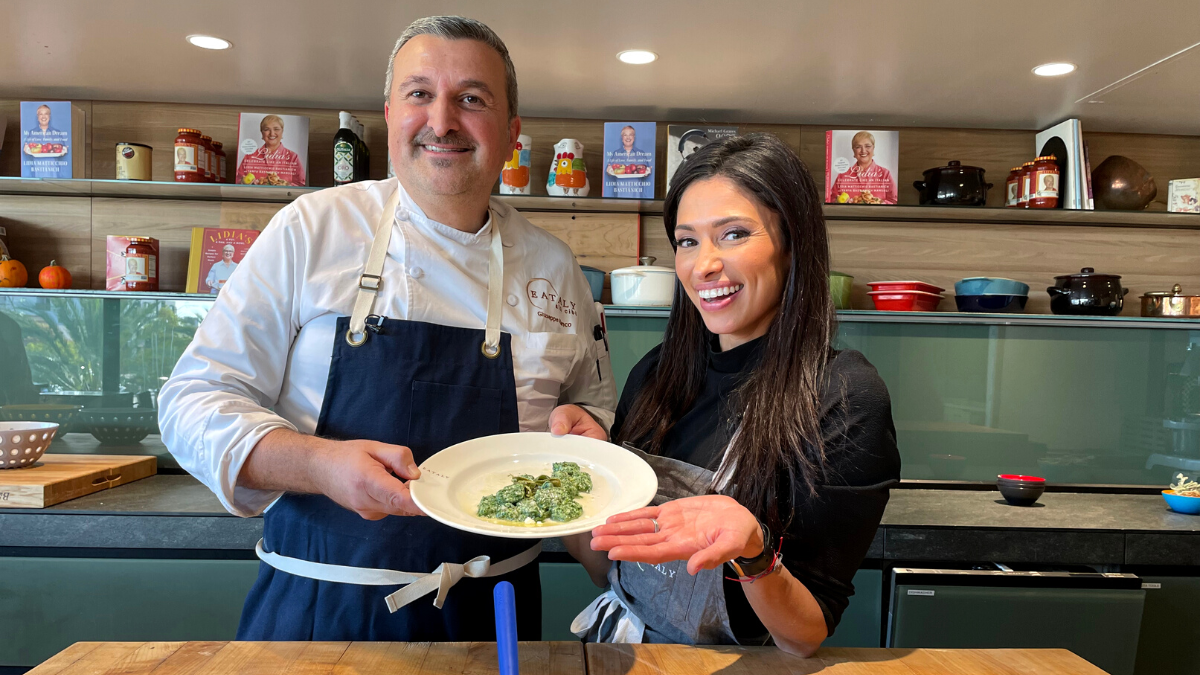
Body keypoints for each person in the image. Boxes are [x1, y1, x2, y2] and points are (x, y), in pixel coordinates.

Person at [158, 15, 616, 642]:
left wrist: (586, 433)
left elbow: (592, 414)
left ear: (511, 133)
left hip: (496, 616)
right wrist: (318, 465)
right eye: (419, 93)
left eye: (471, 99)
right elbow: (191, 402)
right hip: (319, 610)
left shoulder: (555, 269)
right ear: (389, 111)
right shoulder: (311, 229)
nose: (442, 120)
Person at [566, 134, 900, 655]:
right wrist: (578, 471)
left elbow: (806, 633)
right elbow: (604, 568)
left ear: (793, 243)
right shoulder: (656, 375)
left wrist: (754, 549)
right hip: (624, 651)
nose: (703, 266)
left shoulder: (843, 395)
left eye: (735, 234)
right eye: (687, 240)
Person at [234, 114, 307, 186]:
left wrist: (286, 185)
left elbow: (302, 184)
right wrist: (243, 182)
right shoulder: (249, 157)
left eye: (276, 129)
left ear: (282, 132)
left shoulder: (293, 157)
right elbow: (238, 181)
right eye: (266, 129)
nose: (272, 133)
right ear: (262, 133)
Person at [829, 131, 897, 204]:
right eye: (858, 147)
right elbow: (831, 200)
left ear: (873, 148)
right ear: (853, 150)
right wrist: (839, 202)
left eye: (867, 146)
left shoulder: (885, 174)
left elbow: (894, 201)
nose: (863, 151)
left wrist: (880, 204)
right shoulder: (842, 175)